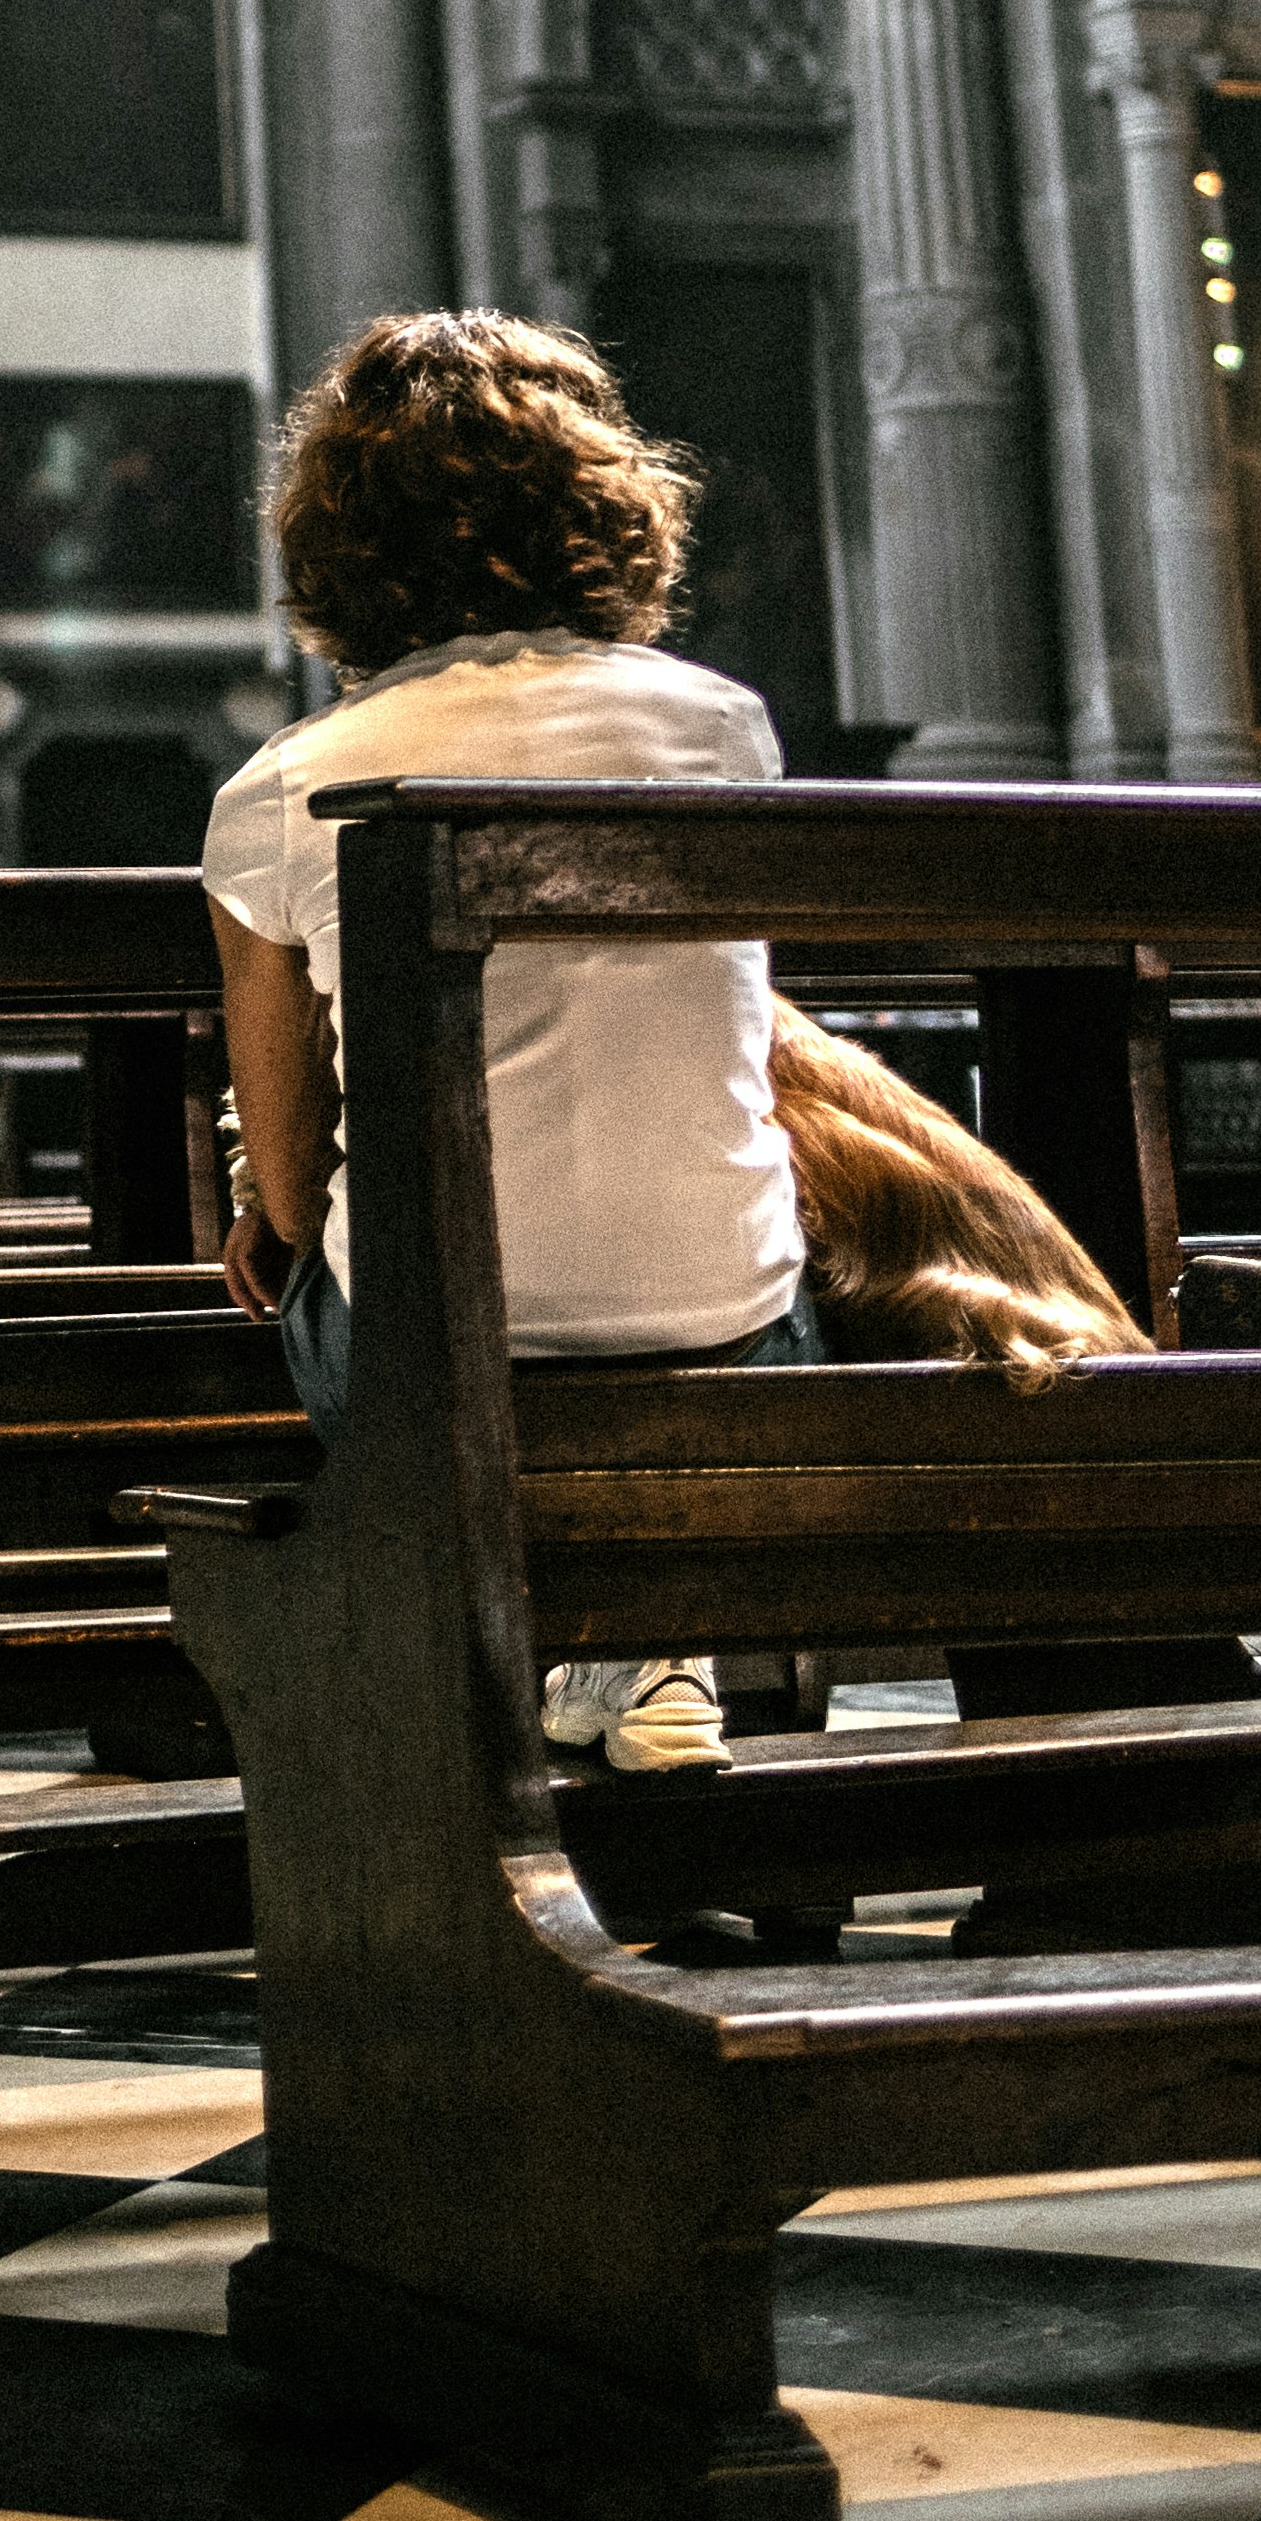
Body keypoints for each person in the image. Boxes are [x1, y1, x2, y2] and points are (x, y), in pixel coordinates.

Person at [202, 308, 808, 1775]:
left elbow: (290, 1184)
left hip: (436, 1363)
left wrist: (261, 1211)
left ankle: (507, 1673)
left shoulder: (286, 784)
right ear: (601, 503)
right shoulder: (724, 730)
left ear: (334, 540)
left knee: (316, 1268)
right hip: (739, 1338)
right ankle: (639, 1637)